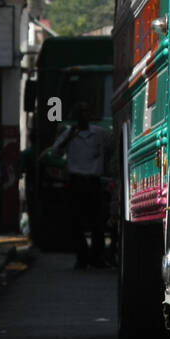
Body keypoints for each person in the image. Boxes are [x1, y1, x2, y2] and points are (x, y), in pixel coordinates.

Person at [51, 103, 112, 267]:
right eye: (81, 113)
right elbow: (55, 151)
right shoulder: (69, 134)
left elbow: (111, 144)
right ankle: (82, 256)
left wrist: (103, 162)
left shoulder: (99, 133)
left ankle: (97, 257)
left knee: (97, 222)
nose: (84, 117)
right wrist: (69, 135)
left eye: (87, 113)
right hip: (76, 181)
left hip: (93, 181)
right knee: (75, 222)